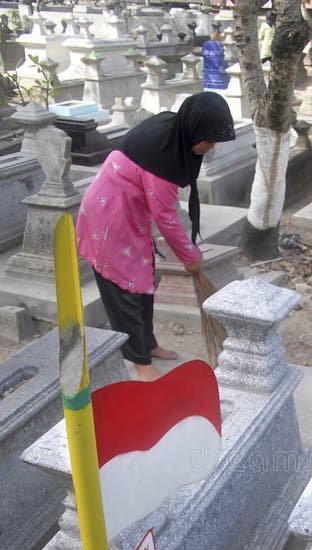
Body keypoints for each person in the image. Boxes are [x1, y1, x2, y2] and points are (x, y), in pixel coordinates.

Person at [76, 93, 235, 381]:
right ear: (195, 129)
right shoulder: (162, 162)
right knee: (123, 290)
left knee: (143, 281)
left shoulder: (173, 132)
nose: (210, 148)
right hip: (109, 219)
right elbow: (166, 218)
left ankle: (147, 344)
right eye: (209, 140)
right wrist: (191, 257)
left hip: (129, 216)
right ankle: (138, 361)